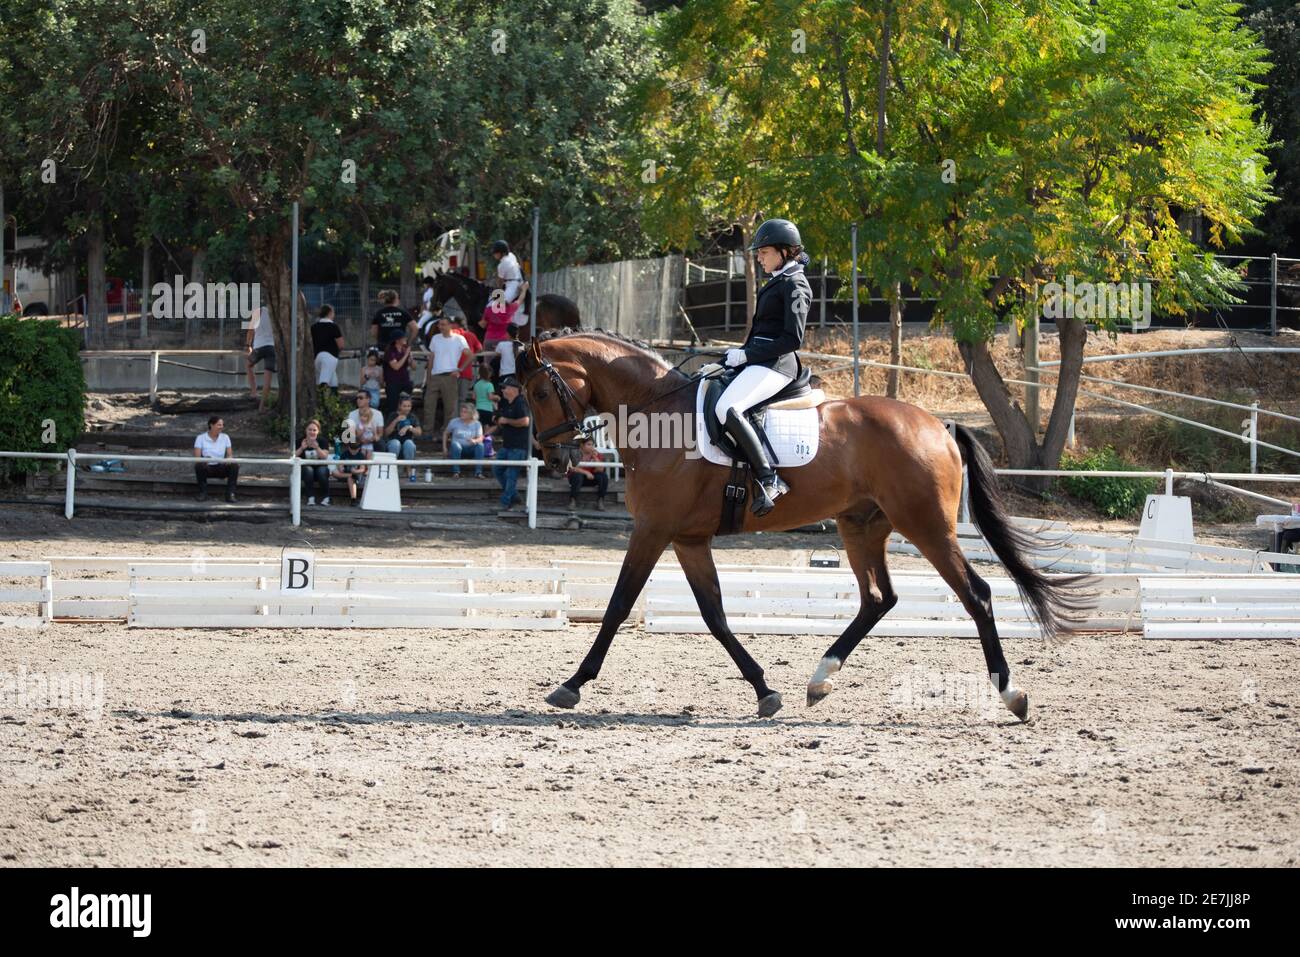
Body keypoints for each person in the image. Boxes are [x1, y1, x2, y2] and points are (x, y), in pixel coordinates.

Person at [712, 218, 811, 517]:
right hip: (760, 360)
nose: (758, 257)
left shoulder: (795, 284)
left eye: (764, 252)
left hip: (777, 365)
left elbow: (793, 338)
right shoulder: (779, 281)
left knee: (729, 409)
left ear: (785, 252)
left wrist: (748, 356)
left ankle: (769, 479)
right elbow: (761, 332)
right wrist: (727, 360)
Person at [423, 316, 470, 434]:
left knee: (450, 408)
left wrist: (460, 369)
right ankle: (427, 431)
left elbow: (470, 355)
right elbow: (431, 358)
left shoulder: (459, 339)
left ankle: (446, 432)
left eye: (443, 324)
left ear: (451, 325)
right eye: (439, 324)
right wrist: (428, 377)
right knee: (429, 405)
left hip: (450, 376)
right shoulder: (435, 338)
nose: (440, 327)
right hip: (435, 376)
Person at [490, 376, 530, 509]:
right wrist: (499, 419)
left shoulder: (520, 403)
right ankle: (514, 496)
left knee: (511, 475)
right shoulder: (508, 404)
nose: (502, 390)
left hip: (518, 447)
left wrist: (506, 421)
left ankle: (506, 502)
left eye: (505, 387)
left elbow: (525, 421)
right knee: (497, 470)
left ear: (513, 389)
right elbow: (500, 419)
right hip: (507, 445)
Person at [192, 415, 239, 503]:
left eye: (222, 425)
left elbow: (230, 455)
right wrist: (204, 460)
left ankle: (230, 494)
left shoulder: (225, 437)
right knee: (199, 465)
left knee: (234, 465)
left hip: (221, 466)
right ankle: (203, 493)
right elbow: (197, 458)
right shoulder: (200, 438)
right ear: (211, 425)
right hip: (207, 467)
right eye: (219, 425)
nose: (221, 427)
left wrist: (229, 459)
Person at [383, 394, 423, 482]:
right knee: (395, 443)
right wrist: (396, 420)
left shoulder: (412, 417)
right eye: (404, 406)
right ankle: (392, 469)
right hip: (393, 444)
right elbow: (386, 433)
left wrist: (409, 427)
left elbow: (419, 432)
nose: (407, 408)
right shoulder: (393, 415)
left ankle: (408, 469)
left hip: (406, 446)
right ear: (399, 406)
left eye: (409, 406)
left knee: (409, 443)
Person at [244, 305, 276, 411]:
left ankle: (254, 392)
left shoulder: (258, 311)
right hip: (272, 348)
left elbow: (250, 330)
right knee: (268, 378)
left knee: (249, 365)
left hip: (259, 347)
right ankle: (261, 407)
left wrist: (248, 345)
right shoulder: (275, 312)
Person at [444, 402, 487, 478]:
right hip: (457, 449)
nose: (462, 414)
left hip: (471, 449)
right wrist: (444, 448)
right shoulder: (454, 421)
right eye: (461, 411)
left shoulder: (477, 424)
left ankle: (478, 472)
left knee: (480, 445)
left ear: (471, 414)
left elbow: (481, 438)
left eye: (465, 412)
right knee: (455, 444)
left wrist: (475, 441)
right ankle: (456, 472)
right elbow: (445, 433)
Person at [311, 304, 345, 396]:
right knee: (324, 380)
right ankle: (322, 403)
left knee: (333, 380)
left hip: (317, 357)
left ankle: (334, 402)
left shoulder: (314, 327)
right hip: (330, 356)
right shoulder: (333, 326)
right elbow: (341, 345)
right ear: (330, 313)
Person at [566, 437, 608, 511]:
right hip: (577, 478)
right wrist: (586, 472)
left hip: (591, 478)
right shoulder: (575, 453)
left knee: (603, 476)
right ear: (582, 445)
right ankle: (573, 501)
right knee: (577, 476)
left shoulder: (596, 454)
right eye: (588, 444)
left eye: (592, 445)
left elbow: (601, 469)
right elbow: (572, 467)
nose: (591, 447)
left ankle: (600, 500)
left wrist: (595, 457)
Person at [296, 419, 331, 506]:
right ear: (306, 430)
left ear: (318, 431)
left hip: (320, 469)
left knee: (322, 471)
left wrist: (317, 448)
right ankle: (310, 497)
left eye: (314, 430)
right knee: (308, 470)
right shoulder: (300, 441)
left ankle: (326, 497)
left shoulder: (323, 441)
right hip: (306, 471)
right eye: (310, 429)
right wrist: (302, 448)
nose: (312, 432)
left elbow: (325, 456)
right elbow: (292, 456)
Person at [451, 316, 482, 404]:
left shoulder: (453, 333)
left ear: (455, 324)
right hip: (466, 371)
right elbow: (480, 349)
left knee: (452, 400)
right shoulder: (471, 335)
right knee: (462, 400)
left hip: (452, 371)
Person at [382, 335, 414, 418]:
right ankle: (390, 424)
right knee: (392, 406)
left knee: (405, 404)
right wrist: (406, 355)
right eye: (403, 338)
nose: (405, 339)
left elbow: (414, 367)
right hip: (393, 382)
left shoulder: (404, 350)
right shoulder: (390, 351)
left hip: (405, 381)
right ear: (397, 340)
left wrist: (410, 356)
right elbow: (396, 366)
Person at [473, 363, 498, 429]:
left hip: (478, 408)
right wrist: (497, 397)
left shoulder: (476, 384)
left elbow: (474, 397)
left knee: (479, 426)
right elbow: (490, 397)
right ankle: (486, 437)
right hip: (487, 409)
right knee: (488, 426)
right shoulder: (489, 385)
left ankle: (480, 438)